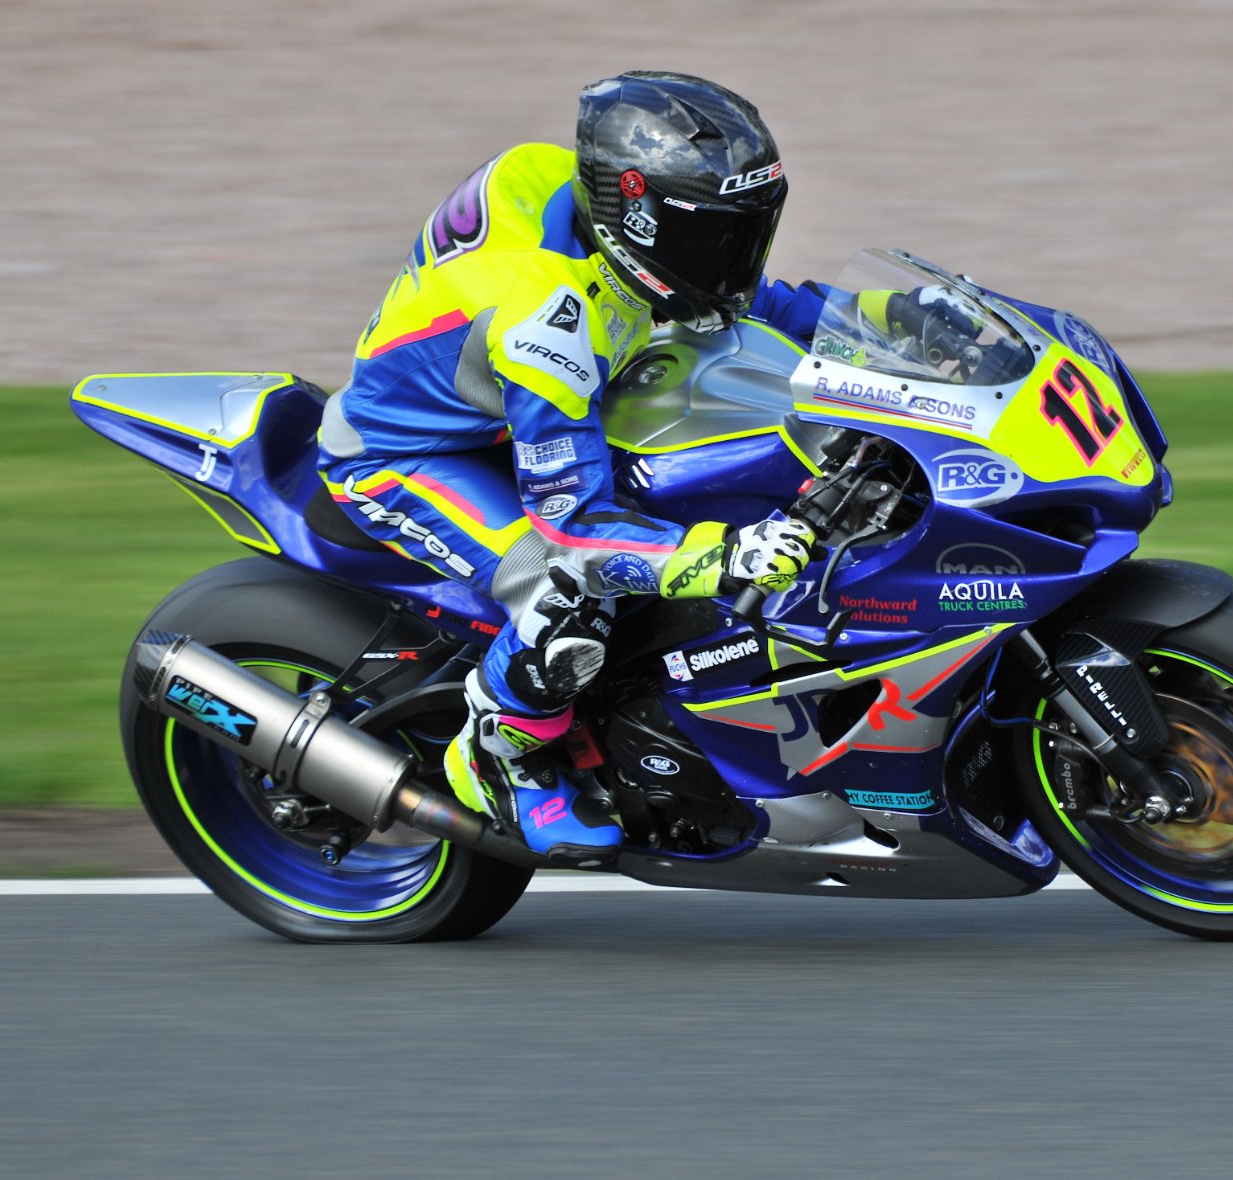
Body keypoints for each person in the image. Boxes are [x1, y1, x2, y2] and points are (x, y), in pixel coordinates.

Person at [319, 72, 985, 865]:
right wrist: (724, 557)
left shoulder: (587, 200)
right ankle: (502, 754)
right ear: (635, 212)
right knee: (568, 593)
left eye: (746, 232)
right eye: (715, 239)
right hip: (409, 456)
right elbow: (575, 531)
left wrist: (891, 320)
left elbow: (749, 304)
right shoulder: (547, 327)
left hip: (524, 398)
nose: (733, 258)